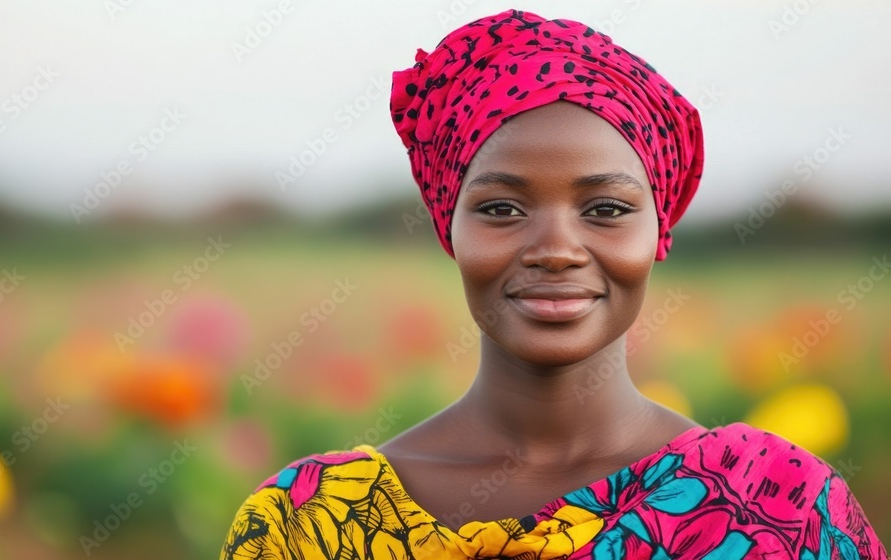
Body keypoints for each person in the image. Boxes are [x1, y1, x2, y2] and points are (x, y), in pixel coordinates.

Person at [219, 9, 888, 559]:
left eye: (606, 210)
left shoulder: (777, 506)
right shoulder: (309, 525)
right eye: (502, 209)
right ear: (448, 228)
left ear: (659, 232)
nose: (556, 250)